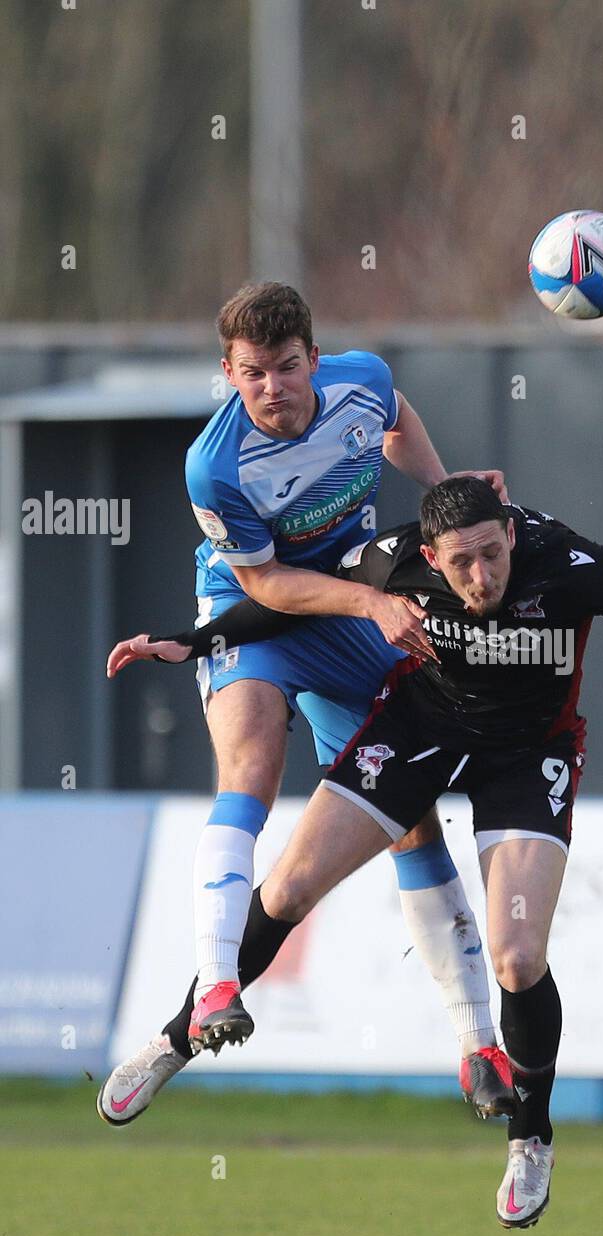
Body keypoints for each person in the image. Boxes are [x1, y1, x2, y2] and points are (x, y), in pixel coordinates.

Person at [117, 477, 603, 1228]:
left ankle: (531, 1136)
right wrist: (192, 642)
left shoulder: (568, 563)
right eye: (461, 563)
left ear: (512, 534)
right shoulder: (392, 559)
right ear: (429, 553)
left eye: (493, 553)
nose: (481, 575)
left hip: (528, 756)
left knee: (517, 959)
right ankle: (176, 1038)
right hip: (420, 730)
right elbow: (293, 595)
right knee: (285, 890)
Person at [96, 283, 514, 1130]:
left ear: (315, 360)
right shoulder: (215, 465)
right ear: (229, 372)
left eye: (287, 368)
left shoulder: (361, 381)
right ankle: (217, 982)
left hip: (351, 611)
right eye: (252, 374)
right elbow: (267, 585)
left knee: (407, 818)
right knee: (251, 759)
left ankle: (477, 1044)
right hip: (259, 618)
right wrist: (369, 604)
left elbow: (395, 418)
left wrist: (443, 496)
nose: (273, 389)